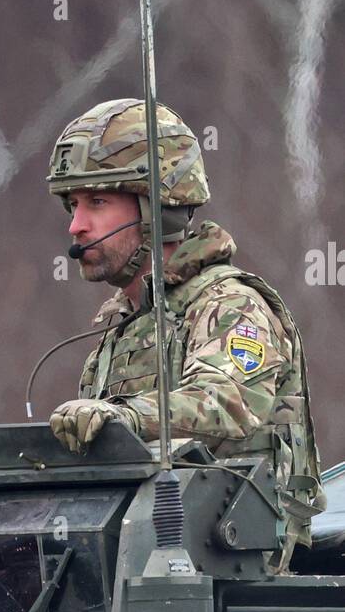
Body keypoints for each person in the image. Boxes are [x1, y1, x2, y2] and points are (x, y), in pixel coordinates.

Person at [46, 98, 323, 570]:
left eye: (97, 202)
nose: (76, 226)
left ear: (160, 209)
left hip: (231, 581)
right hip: (136, 570)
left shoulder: (230, 305)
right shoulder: (126, 326)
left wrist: (123, 417)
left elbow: (226, 403)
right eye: (73, 205)